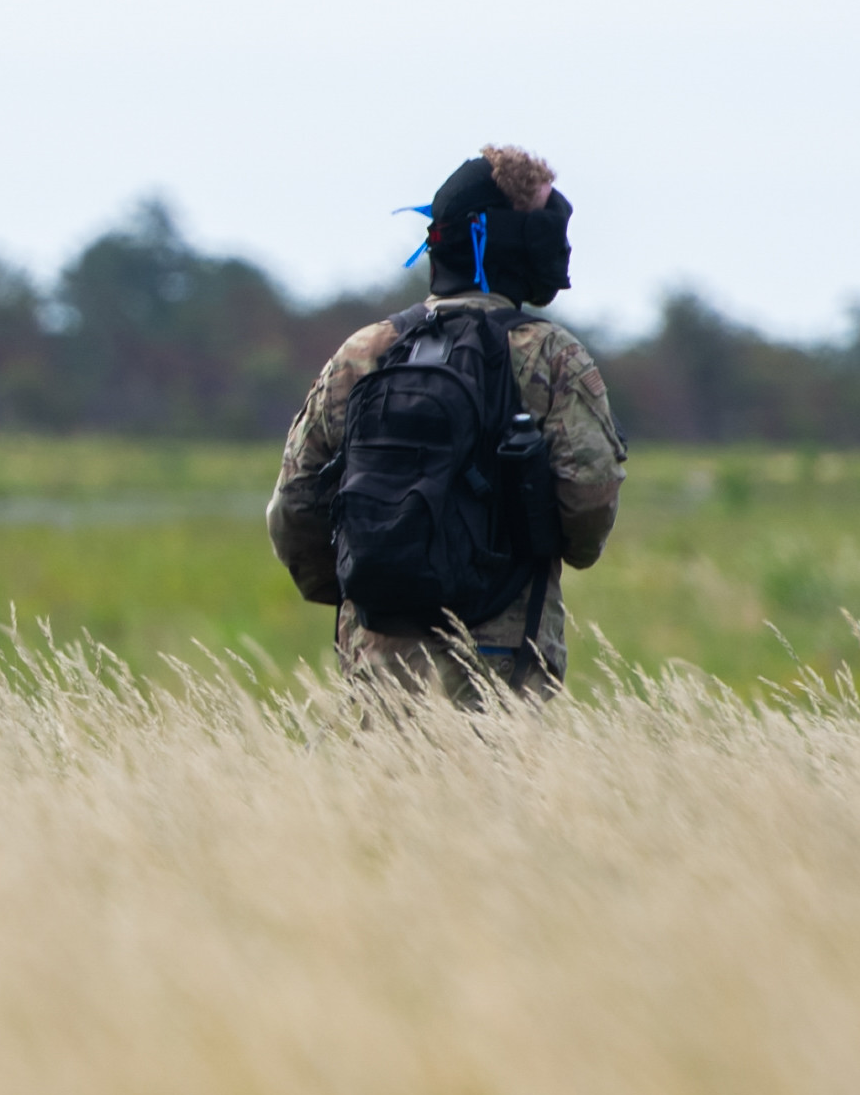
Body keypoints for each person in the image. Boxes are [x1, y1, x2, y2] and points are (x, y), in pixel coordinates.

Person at [265, 144, 627, 706]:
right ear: (512, 240)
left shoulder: (366, 351)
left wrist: (362, 590)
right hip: (505, 655)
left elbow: (294, 508)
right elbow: (588, 507)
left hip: (377, 651)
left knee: (381, 792)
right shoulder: (552, 356)